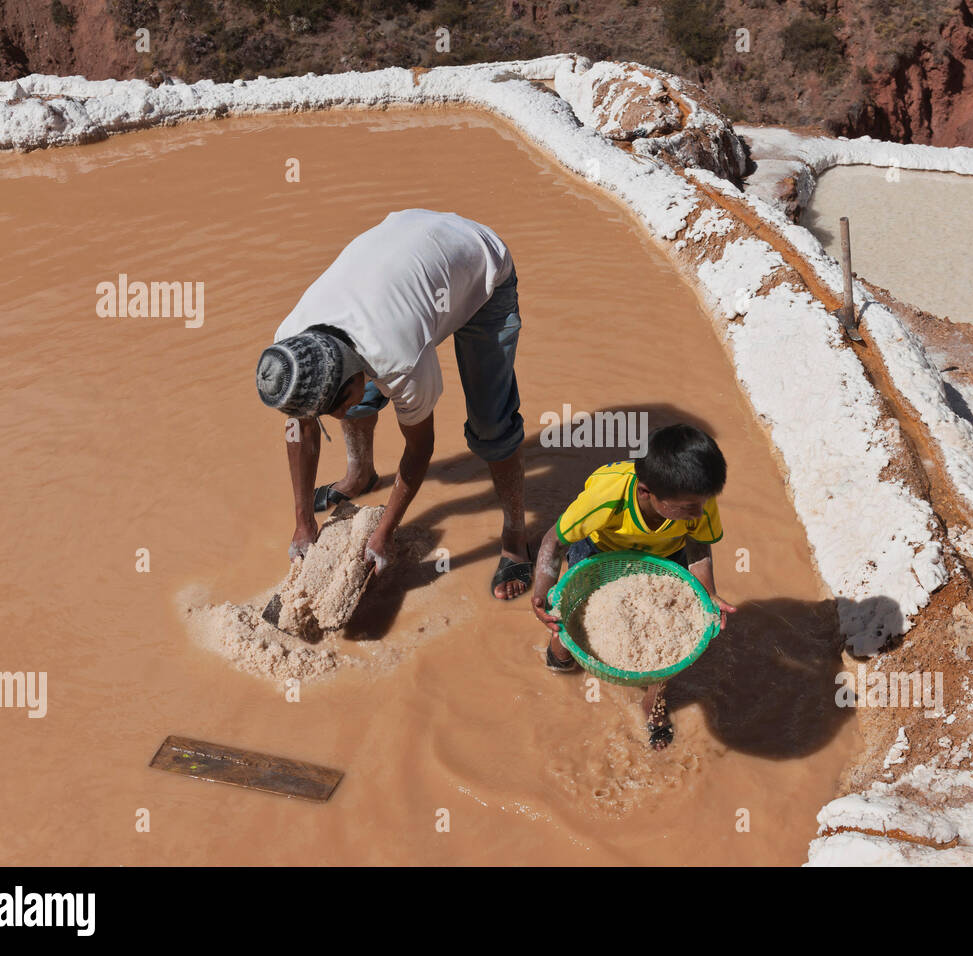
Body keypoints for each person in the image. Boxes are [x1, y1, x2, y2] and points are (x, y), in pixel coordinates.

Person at [255, 209, 533, 599]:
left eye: (339, 405)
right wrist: (302, 522)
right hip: (407, 250)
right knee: (351, 404)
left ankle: (516, 535)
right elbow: (299, 424)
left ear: (359, 374)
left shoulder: (401, 361)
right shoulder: (290, 351)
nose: (337, 419)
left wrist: (385, 532)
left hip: (478, 265)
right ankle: (360, 475)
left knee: (492, 425)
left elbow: (420, 448)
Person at [531, 424, 737, 750]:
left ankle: (652, 707)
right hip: (600, 551)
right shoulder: (607, 497)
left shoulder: (696, 498)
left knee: (669, 640)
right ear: (645, 492)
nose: (698, 514)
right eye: (687, 509)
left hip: (664, 560)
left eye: (702, 504)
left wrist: (708, 593)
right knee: (569, 615)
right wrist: (543, 595)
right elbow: (554, 541)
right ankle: (558, 661)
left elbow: (699, 547)